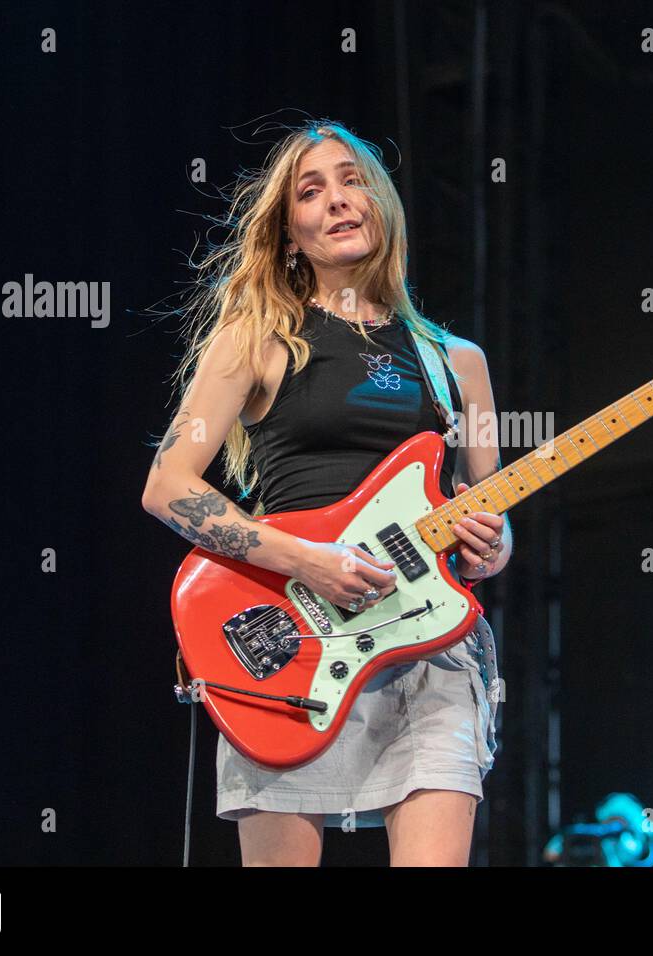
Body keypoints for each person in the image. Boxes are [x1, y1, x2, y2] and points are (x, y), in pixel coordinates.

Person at [141, 120, 512, 866]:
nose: (338, 200)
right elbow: (167, 487)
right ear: (289, 233)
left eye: (352, 181)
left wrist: (494, 546)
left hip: (429, 652)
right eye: (312, 192)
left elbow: (488, 512)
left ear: (381, 204)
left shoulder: (457, 362)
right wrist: (307, 561)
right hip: (292, 646)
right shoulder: (253, 338)